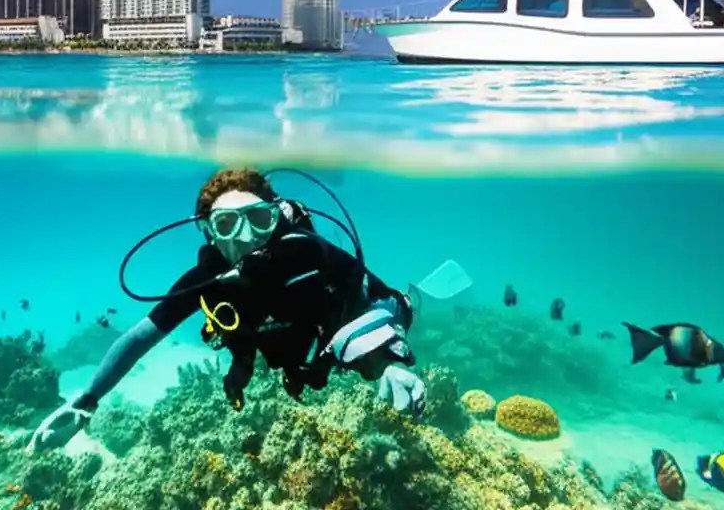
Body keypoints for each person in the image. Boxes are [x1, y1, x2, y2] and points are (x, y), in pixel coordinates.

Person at [27, 167, 426, 453]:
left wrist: (391, 362)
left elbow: (379, 297)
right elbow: (138, 338)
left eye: (257, 218)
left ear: (276, 218)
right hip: (261, 354)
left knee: (361, 346)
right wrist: (87, 400)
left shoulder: (310, 252)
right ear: (209, 232)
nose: (247, 236)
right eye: (227, 225)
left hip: (324, 348)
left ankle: (423, 296)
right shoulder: (204, 280)